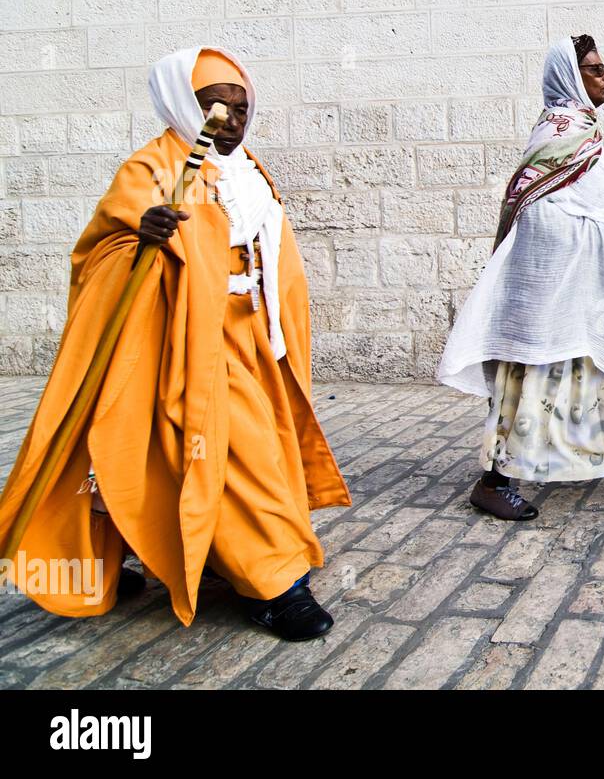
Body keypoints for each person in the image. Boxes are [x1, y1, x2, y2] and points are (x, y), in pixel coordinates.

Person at [0, 48, 351, 639]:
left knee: (218, 453)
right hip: (189, 339)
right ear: (182, 105)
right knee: (240, 459)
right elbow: (100, 253)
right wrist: (144, 236)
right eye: (215, 104)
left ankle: (136, 557)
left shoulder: (250, 168)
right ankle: (274, 586)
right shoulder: (152, 168)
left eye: (241, 106)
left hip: (257, 338)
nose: (231, 117)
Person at [437, 35, 604, 520]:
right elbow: (542, 225)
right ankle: (494, 482)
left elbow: (582, 207)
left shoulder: (581, 134)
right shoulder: (559, 137)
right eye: (594, 69)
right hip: (554, 299)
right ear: (571, 78)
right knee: (534, 386)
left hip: (587, 298)